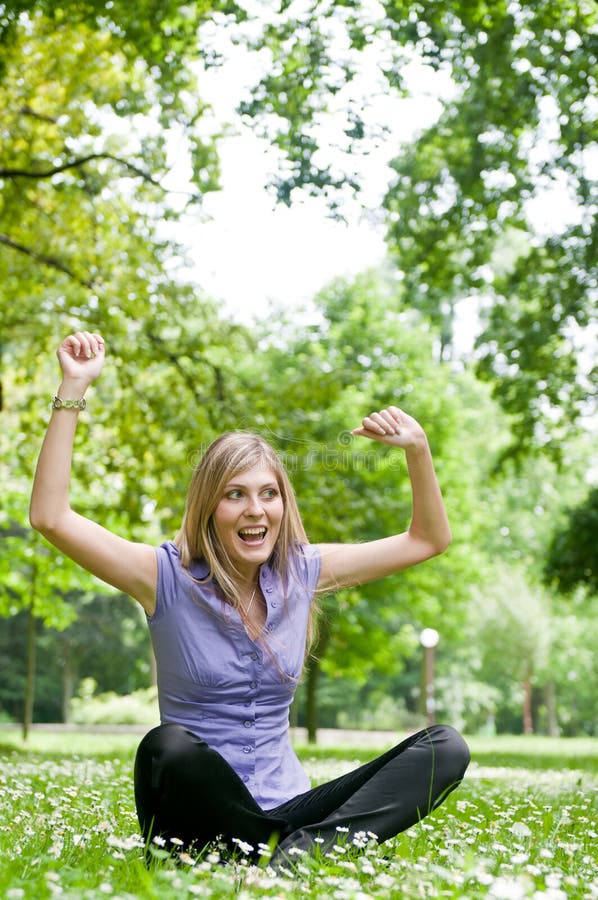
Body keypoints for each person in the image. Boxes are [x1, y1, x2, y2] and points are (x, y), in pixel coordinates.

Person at [30, 330, 470, 867]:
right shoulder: (162, 575)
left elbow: (427, 540)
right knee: (165, 746)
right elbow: (50, 517)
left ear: (284, 504)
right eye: (235, 494)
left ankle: (297, 855)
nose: (255, 510)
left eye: (268, 493)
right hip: (199, 816)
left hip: (287, 812)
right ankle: (276, 856)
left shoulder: (302, 573)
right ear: (210, 506)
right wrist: (73, 388)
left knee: (444, 748)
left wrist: (417, 451)